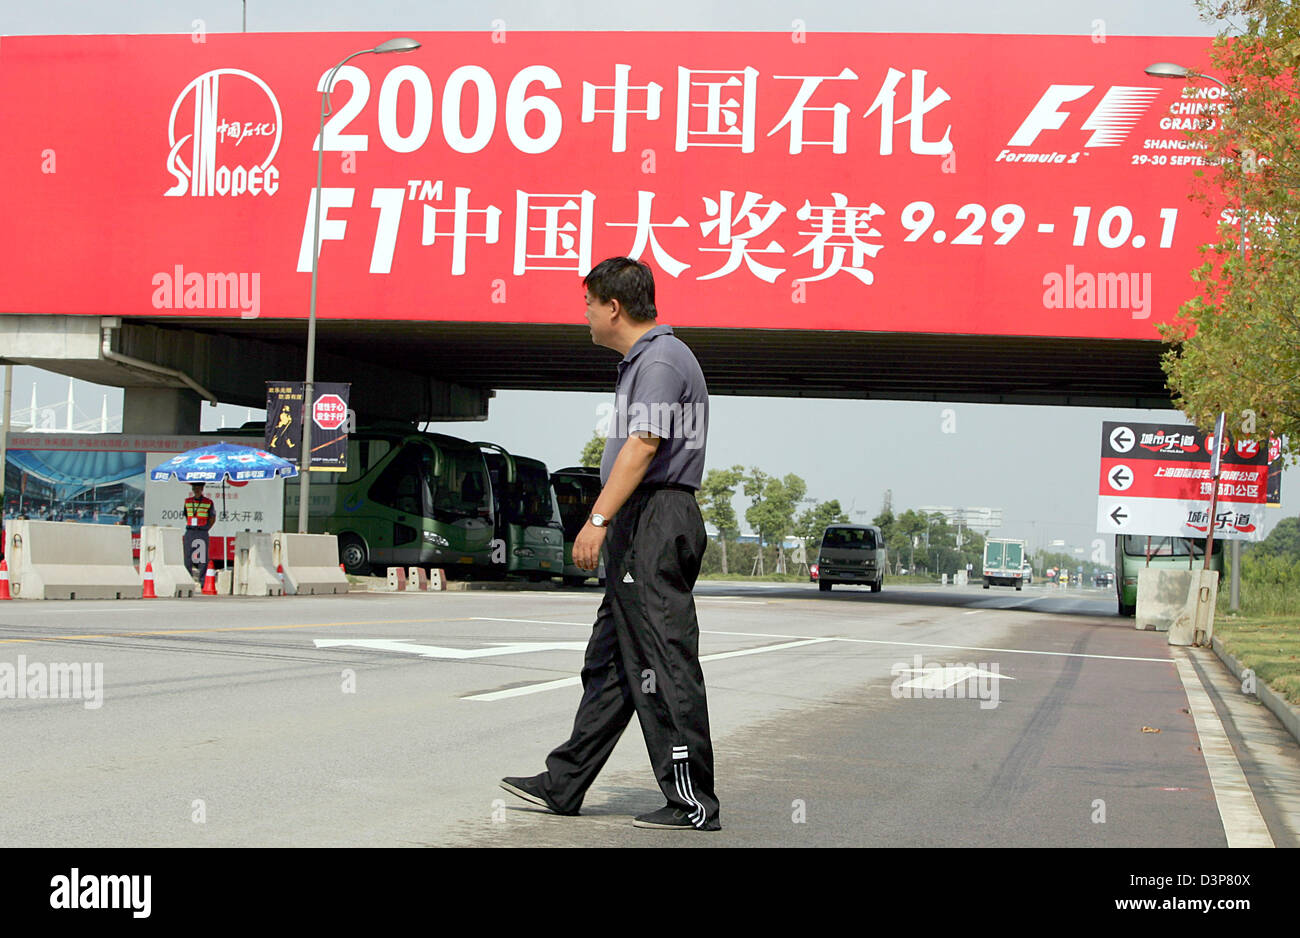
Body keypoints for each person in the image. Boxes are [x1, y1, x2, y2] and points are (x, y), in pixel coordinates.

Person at [500, 257, 719, 831]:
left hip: (655, 516)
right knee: (613, 664)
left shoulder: (662, 360)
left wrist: (597, 519)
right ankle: (565, 781)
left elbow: (644, 446)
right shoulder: (644, 361)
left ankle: (693, 802)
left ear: (613, 307)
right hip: (640, 519)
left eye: (588, 305)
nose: (586, 317)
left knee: (663, 662)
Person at [183, 483, 215, 580]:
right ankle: (187, 579)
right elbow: (186, 515)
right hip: (190, 531)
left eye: (198, 488)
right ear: (192, 489)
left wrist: (205, 528)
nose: (196, 490)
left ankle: (203, 581)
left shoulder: (208, 502)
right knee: (188, 556)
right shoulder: (187, 501)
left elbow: (212, 518)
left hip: (202, 532)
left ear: (202, 489)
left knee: (202, 558)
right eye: (195, 488)